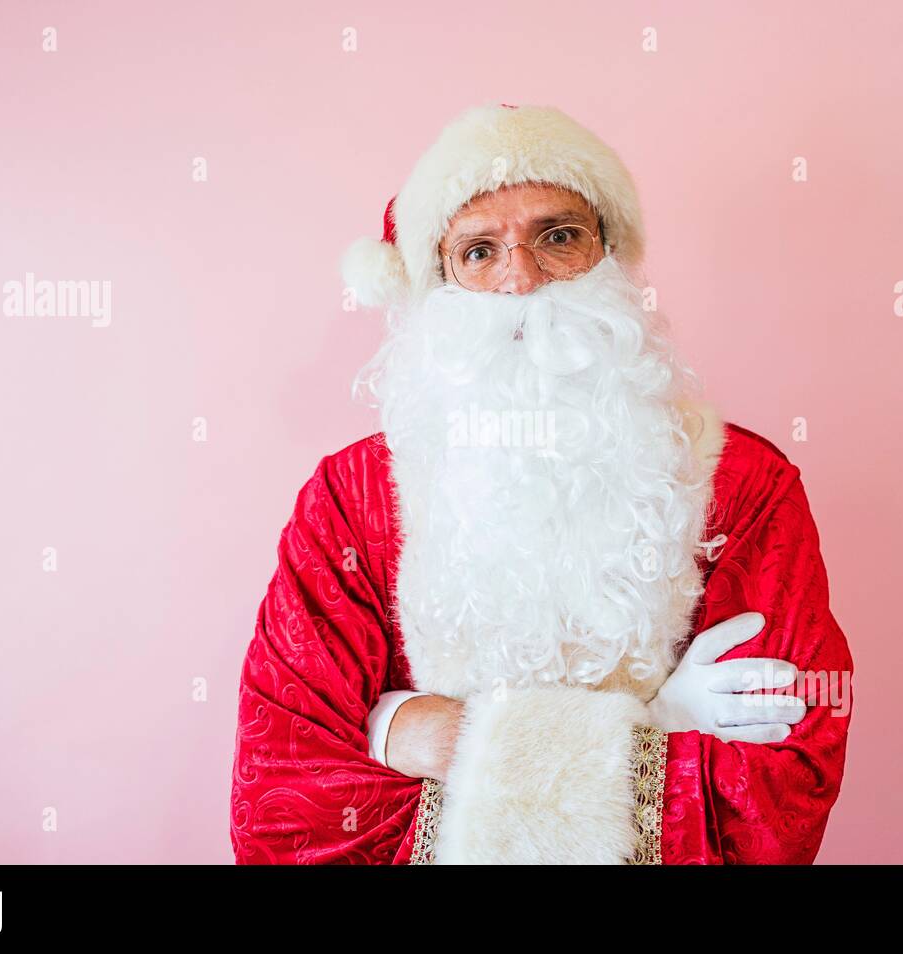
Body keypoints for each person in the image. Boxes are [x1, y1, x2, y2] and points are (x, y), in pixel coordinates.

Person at [230, 102, 854, 864]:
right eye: (479, 251)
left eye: (558, 237)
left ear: (611, 257)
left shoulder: (745, 485)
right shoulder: (349, 499)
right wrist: (651, 736)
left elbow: (782, 781)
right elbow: (287, 793)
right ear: (438, 286)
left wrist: (419, 733)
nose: (521, 280)